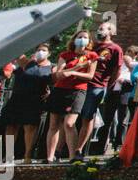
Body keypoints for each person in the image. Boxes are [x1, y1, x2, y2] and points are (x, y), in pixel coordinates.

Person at [45, 31, 99, 162]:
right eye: (80, 37)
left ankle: (72, 156)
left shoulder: (92, 56)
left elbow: (90, 76)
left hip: (77, 91)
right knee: (54, 124)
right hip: (60, 89)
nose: (82, 40)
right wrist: (78, 67)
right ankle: (50, 157)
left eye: (85, 38)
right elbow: (59, 74)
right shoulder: (65, 55)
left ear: (89, 41)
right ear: (74, 40)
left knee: (69, 123)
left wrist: (73, 72)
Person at [73, 20, 123, 158]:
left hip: (96, 86)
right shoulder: (91, 46)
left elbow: (117, 69)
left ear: (111, 32)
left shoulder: (115, 49)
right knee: (72, 116)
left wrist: (108, 84)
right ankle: (66, 148)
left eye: (103, 29)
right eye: (99, 29)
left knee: (87, 117)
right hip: (80, 84)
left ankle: (79, 149)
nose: (99, 31)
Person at [2, 45, 54, 162]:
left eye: (44, 50)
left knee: (30, 128)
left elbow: (54, 81)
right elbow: (17, 52)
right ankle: (8, 155)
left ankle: (27, 155)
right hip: (17, 98)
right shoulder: (28, 63)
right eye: (38, 50)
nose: (40, 52)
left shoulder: (51, 68)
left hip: (34, 101)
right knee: (11, 126)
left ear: (49, 53)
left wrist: (50, 91)